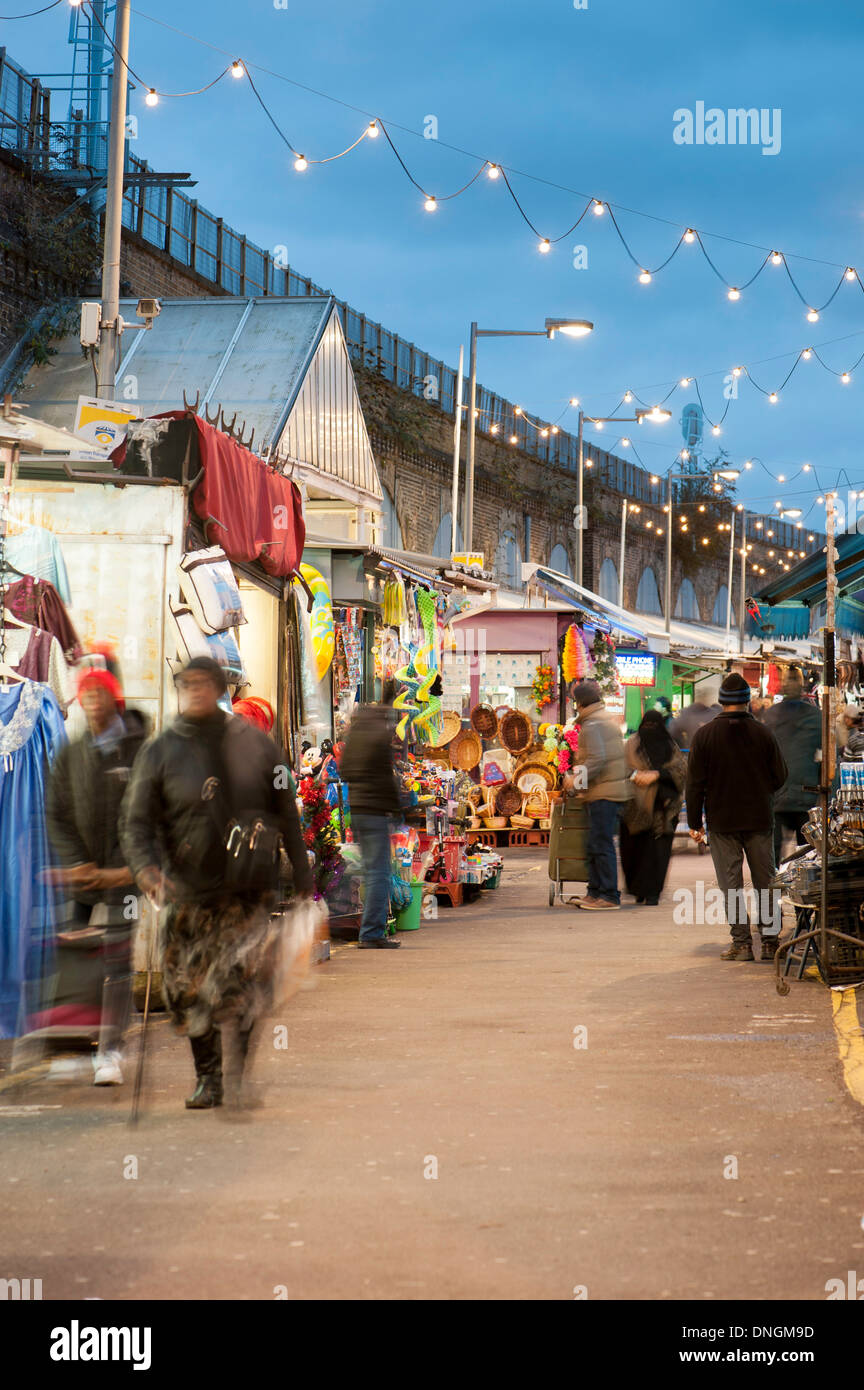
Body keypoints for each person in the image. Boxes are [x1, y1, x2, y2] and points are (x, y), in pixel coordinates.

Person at [120, 657, 314, 1110]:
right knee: (186, 990)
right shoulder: (162, 750)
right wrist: (147, 870)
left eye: (204, 684)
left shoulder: (257, 744)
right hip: (186, 890)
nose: (196, 692)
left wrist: (302, 873)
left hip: (246, 888)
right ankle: (208, 1077)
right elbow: (136, 821)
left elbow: (286, 810)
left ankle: (236, 1073)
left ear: (220, 689)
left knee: (238, 984)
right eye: (188, 685)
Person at [46, 661, 148, 1085]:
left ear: (114, 698)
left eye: (98, 692)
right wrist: (76, 864)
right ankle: (72, 1042)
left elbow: (146, 814)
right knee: (73, 953)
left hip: (124, 878)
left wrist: (128, 867)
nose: (90, 699)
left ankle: (112, 1048)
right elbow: (57, 812)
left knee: (119, 961)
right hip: (83, 875)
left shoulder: (138, 750)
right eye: (85, 692)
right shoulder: (72, 751)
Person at [686, 672, 788, 962]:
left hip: (721, 821)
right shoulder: (764, 734)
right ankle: (770, 943)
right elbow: (780, 776)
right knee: (766, 882)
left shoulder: (704, 736)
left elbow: (694, 785)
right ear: (748, 702)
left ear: (722, 701)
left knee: (729, 884)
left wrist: (695, 823)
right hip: (758, 818)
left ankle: (741, 944)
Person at [340, 685, 403, 948]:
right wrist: (400, 809)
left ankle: (369, 930)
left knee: (370, 870)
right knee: (379, 872)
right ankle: (372, 934)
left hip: (358, 810)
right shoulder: (380, 734)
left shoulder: (355, 732)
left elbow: (344, 770)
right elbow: (387, 779)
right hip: (375, 811)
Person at [563, 679, 631, 910]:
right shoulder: (602, 720)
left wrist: (574, 782)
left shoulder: (592, 725)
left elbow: (596, 759)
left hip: (605, 793)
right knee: (594, 843)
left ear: (579, 703)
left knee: (601, 845)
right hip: (604, 791)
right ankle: (594, 892)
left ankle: (609, 895)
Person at [619, 711, 687, 905]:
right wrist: (636, 776)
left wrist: (657, 774)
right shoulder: (631, 744)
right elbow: (622, 769)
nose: (650, 729)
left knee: (657, 853)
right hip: (634, 809)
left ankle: (653, 892)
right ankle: (637, 889)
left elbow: (681, 771)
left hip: (663, 810)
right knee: (634, 852)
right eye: (647, 725)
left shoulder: (670, 746)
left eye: (654, 725)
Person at [762, 668, 822, 865]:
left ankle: (772, 887)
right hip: (806, 794)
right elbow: (827, 757)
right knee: (806, 852)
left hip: (777, 792)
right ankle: (801, 887)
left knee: (774, 851)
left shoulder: (771, 716)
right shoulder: (815, 715)